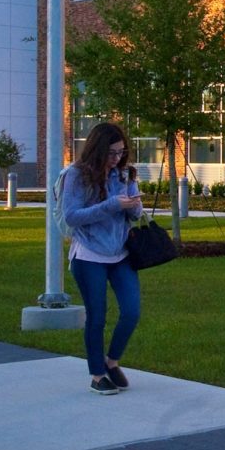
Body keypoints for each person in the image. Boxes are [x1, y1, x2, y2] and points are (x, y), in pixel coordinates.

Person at [60, 120, 144, 395]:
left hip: (120, 253)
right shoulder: (76, 175)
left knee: (131, 311)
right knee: (97, 316)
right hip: (89, 255)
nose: (117, 158)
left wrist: (134, 206)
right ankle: (97, 374)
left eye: (121, 152)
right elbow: (72, 216)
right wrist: (111, 205)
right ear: (97, 150)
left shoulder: (124, 174)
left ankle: (112, 361)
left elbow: (134, 213)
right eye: (111, 153)